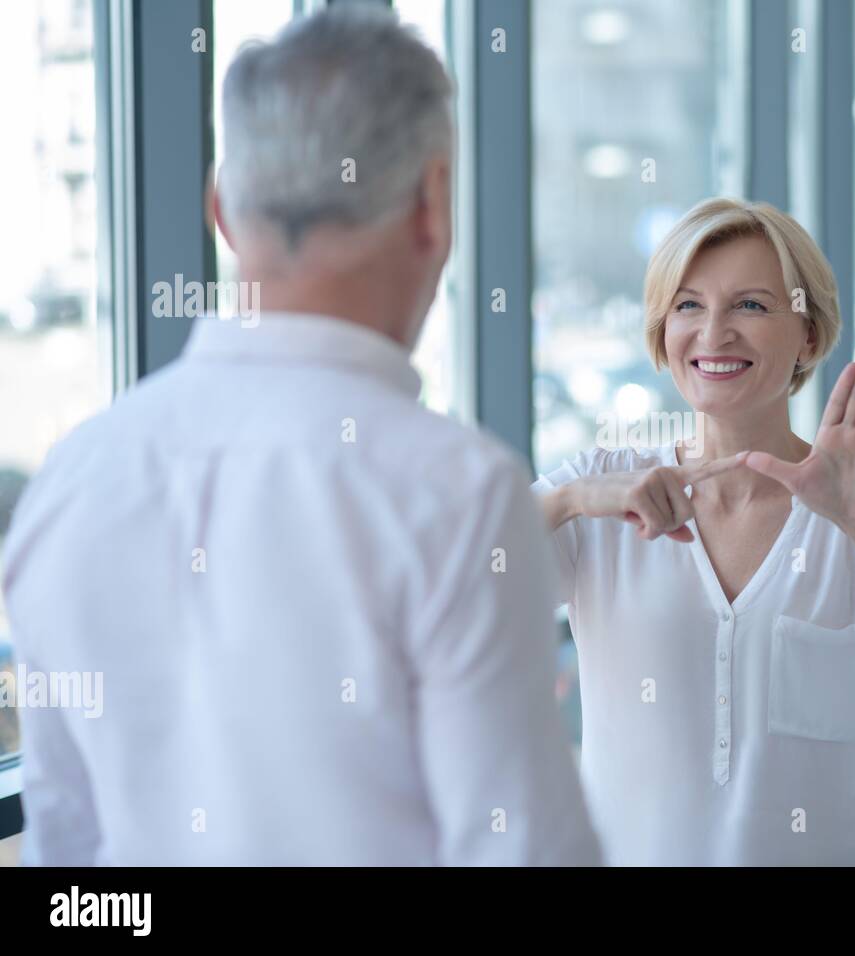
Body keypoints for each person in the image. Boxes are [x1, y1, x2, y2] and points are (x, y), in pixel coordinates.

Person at [2, 6, 600, 866]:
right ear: (432, 204)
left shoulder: (73, 481)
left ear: (221, 213)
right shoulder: (459, 496)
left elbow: (68, 857)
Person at [533, 197, 855, 865]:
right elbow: (445, 583)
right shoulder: (595, 493)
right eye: (688, 305)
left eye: (752, 306)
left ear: (811, 336)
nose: (713, 333)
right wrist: (569, 500)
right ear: (661, 330)